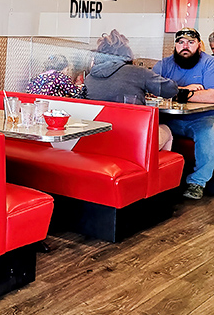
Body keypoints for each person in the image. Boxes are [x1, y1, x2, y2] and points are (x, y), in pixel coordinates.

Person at [85, 30, 177, 150]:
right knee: (166, 129)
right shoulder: (137, 72)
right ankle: (152, 167)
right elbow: (170, 90)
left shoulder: (90, 77)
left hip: (99, 139)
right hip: (132, 139)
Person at [153, 28, 214, 200]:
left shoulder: (209, 64)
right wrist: (185, 90)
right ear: (175, 45)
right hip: (169, 119)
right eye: (180, 42)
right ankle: (158, 181)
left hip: (201, 119)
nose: (185, 46)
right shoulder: (163, 64)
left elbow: (212, 95)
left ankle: (197, 182)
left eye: (190, 42)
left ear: (199, 45)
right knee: (148, 131)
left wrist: (172, 91)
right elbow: (150, 91)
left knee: (208, 133)